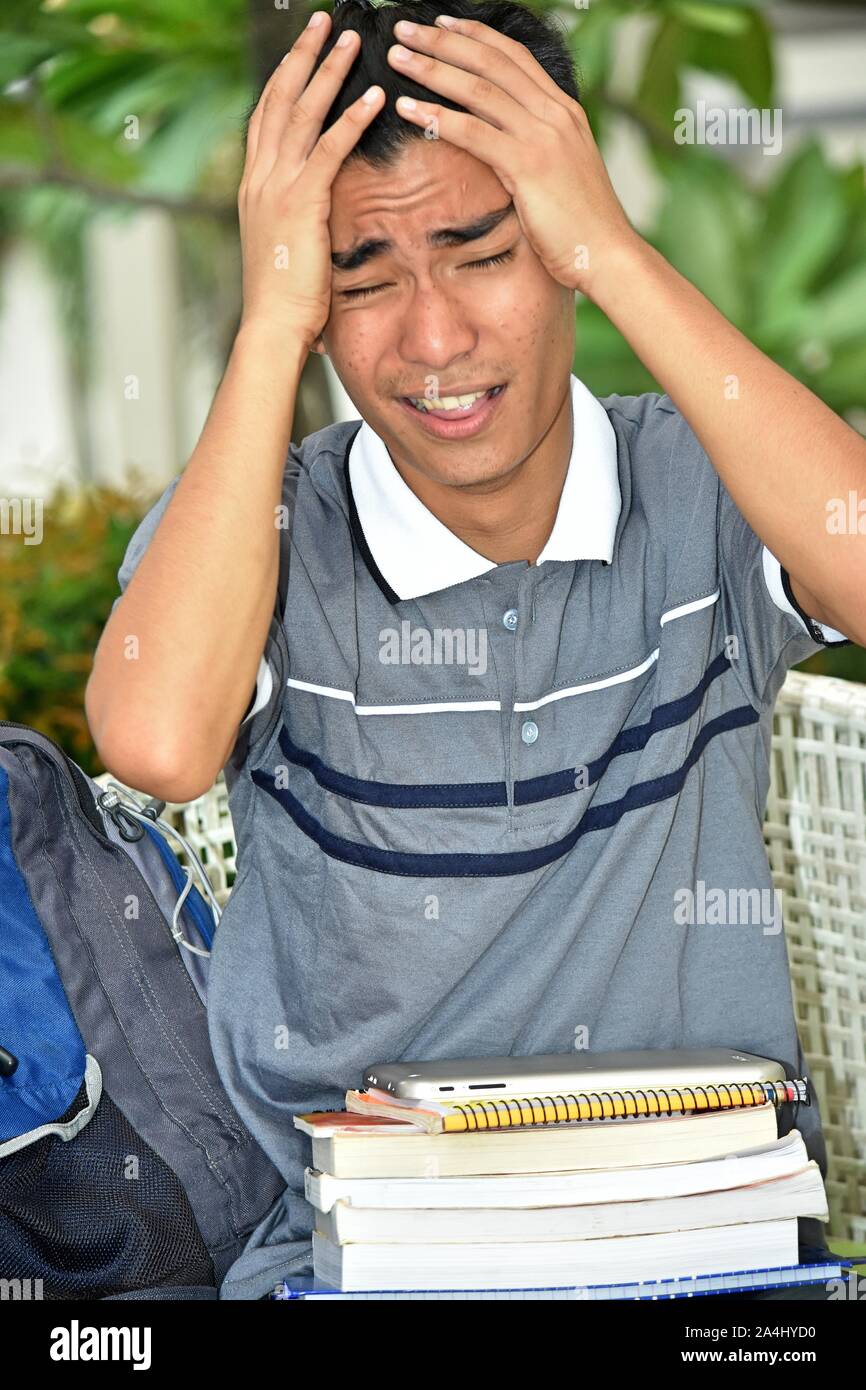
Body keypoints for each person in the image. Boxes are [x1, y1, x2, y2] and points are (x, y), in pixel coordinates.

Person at [85, 1, 866, 1300]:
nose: (433, 339)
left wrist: (613, 249)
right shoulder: (266, 534)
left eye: (480, 249)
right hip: (377, 1263)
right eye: (361, 277)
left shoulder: (697, 486)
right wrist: (271, 321)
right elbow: (159, 742)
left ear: (555, 240)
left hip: (709, 1254)